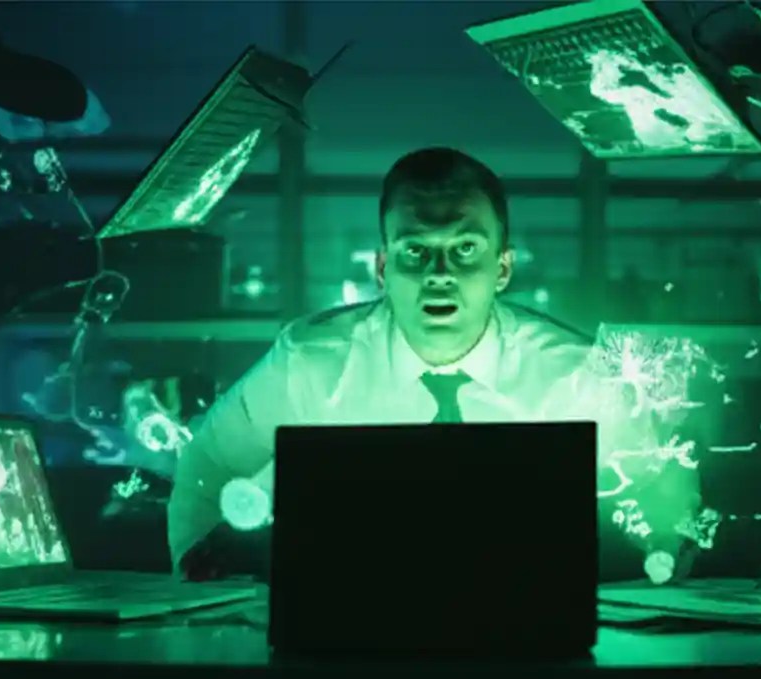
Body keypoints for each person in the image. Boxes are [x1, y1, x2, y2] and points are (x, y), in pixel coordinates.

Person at [169, 147, 701, 583]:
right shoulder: (310, 364)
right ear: (382, 267)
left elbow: (662, 478)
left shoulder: (578, 373)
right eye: (415, 250)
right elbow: (209, 461)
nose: (439, 273)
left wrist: (659, 566)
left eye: (466, 248)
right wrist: (205, 604)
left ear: (503, 267)